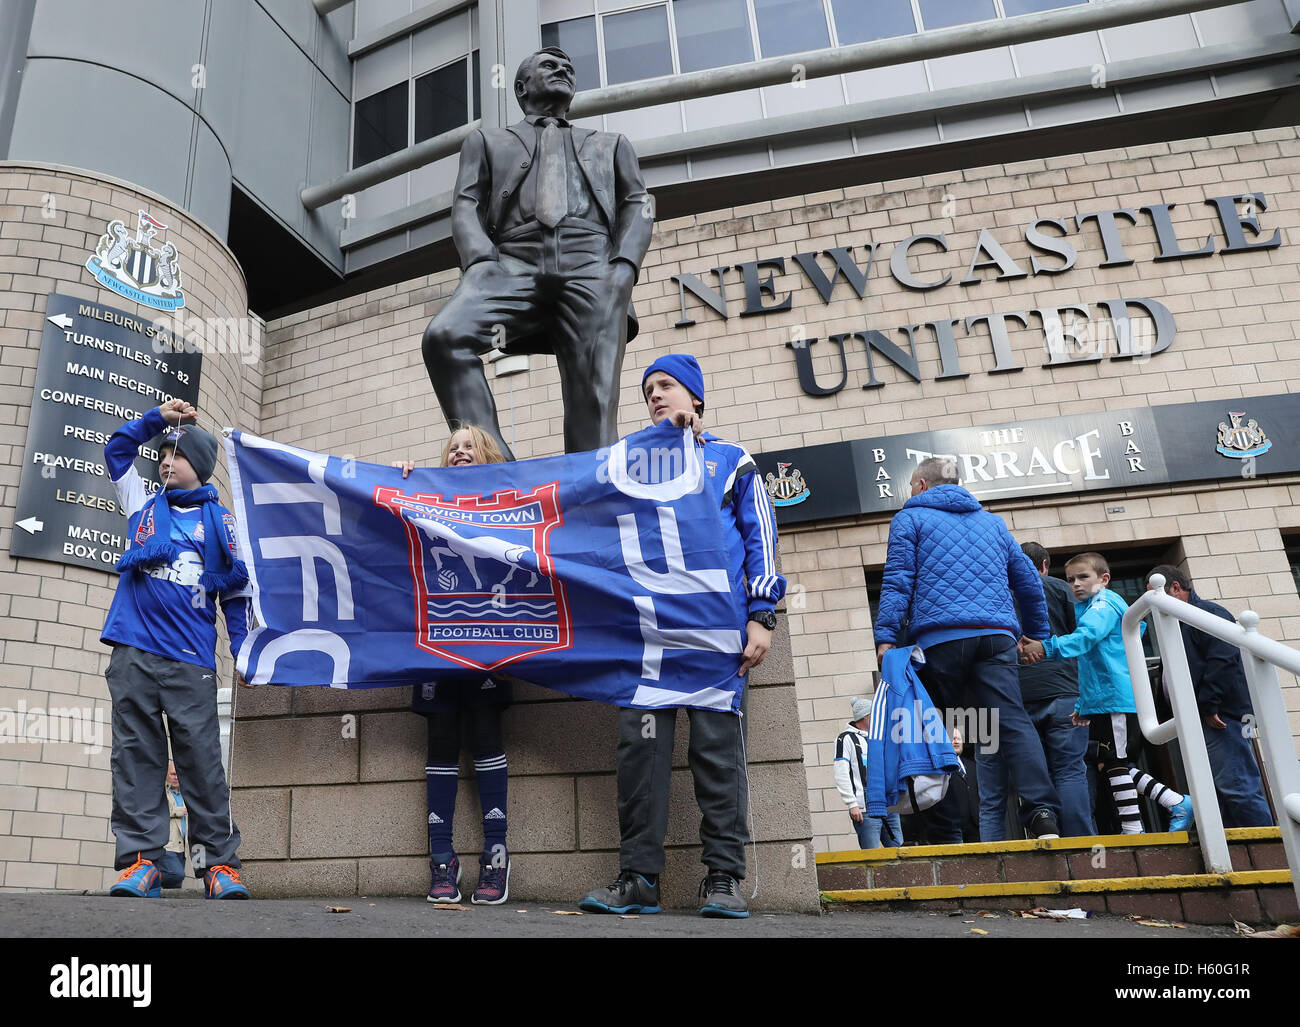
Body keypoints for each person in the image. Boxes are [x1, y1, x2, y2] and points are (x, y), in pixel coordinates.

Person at [579, 354, 785, 918]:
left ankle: (723, 879)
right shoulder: (628, 466)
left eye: (666, 386)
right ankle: (638, 878)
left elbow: (760, 535)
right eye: (648, 389)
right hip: (648, 640)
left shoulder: (730, 460)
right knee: (638, 757)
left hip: (719, 639)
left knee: (718, 759)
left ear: (695, 397)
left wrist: (762, 615)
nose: (655, 396)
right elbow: (568, 506)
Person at [421, 46, 653, 459]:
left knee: (594, 399)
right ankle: (496, 469)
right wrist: (481, 262)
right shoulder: (486, 141)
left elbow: (638, 203)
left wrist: (623, 268)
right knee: (444, 338)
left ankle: (590, 501)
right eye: (550, 65)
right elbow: (466, 204)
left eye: (568, 66)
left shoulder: (611, 144)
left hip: (592, 264)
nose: (563, 69)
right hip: (513, 261)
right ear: (521, 87)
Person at [101, 399, 251, 899]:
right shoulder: (142, 504)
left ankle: (217, 868)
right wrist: (156, 420)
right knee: (136, 757)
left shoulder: (222, 525)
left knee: (201, 763)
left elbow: (233, 595)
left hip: (191, 661)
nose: (166, 461)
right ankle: (143, 861)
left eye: (178, 455)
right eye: (163, 454)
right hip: (133, 652)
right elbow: (117, 449)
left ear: (201, 466)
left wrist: (244, 650)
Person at [872, 456, 1063, 841]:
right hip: (996, 637)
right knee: (1011, 721)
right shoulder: (993, 523)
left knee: (929, 725)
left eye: (911, 486)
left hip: (939, 639)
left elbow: (897, 580)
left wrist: (886, 636)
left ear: (923, 486)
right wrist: (1037, 634)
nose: (909, 493)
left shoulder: (910, 519)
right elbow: (1027, 579)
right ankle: (1042, 814)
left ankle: (941, 829)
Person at [396, 425, 515, 905]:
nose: (460, 452)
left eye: (470, 447)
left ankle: (496, 854)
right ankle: (441, 859)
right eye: (452, 448)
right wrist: (402, 483)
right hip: (435, 645)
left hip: (489, 641)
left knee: (486, 739)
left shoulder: (505, 499)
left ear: (486, 457)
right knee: (441, 744)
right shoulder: (426, 497)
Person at [1022, 553, 1193, 834]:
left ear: (1104, 579)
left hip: (1115, 697)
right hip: (1104, 699)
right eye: (1070, 579)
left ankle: (1139, 825)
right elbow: (1090, 665)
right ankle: (1170, 804)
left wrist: (1045, 647)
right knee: (1110, 763)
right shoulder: (1091, 605)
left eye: (1083, 577)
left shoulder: (1103, 604)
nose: (1075, 584)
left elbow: (1087, 637)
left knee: (1114, 762)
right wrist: (1084, 704)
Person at [978, 542, 1097, 840]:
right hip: (1063, 692)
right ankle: (1082, 847)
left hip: (1011, 697)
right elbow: (1084, 639)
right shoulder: (1061, 589)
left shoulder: (995, 595)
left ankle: (1027, 841)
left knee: (1010, 780)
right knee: (1069, 771)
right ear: (1044, 565)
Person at [1145, 565, 1273, 828]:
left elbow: (1225, 660)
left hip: (1220, 715)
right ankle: (1245, 853)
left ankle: (1271, 851)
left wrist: (1209, 704)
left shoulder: (1207, 614)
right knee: (1221, 791)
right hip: (1208, 715)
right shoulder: (1179, 623)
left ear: (1176, 589)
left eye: (1155, 595)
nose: (1152, 606)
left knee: (1236, 786)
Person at [834, 695, 903, 849]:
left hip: (889, 805)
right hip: (865, 808)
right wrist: (852, 804)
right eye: (875, 715)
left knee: (898, 849)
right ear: (866, 717)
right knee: (871, 853)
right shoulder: (845, 739)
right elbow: (841, 773)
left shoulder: (879, 738)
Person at [158, 762, 188, 888]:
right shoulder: (161, 791)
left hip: (183, 847)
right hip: (167, 845)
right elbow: (160, 810)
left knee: (175, 886)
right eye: (173, 774)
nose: (176, 777)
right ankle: (151, 878)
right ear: (166, 775)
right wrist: (179, 811)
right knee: (176, 874)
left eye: (178, 774)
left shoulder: (186, 793)